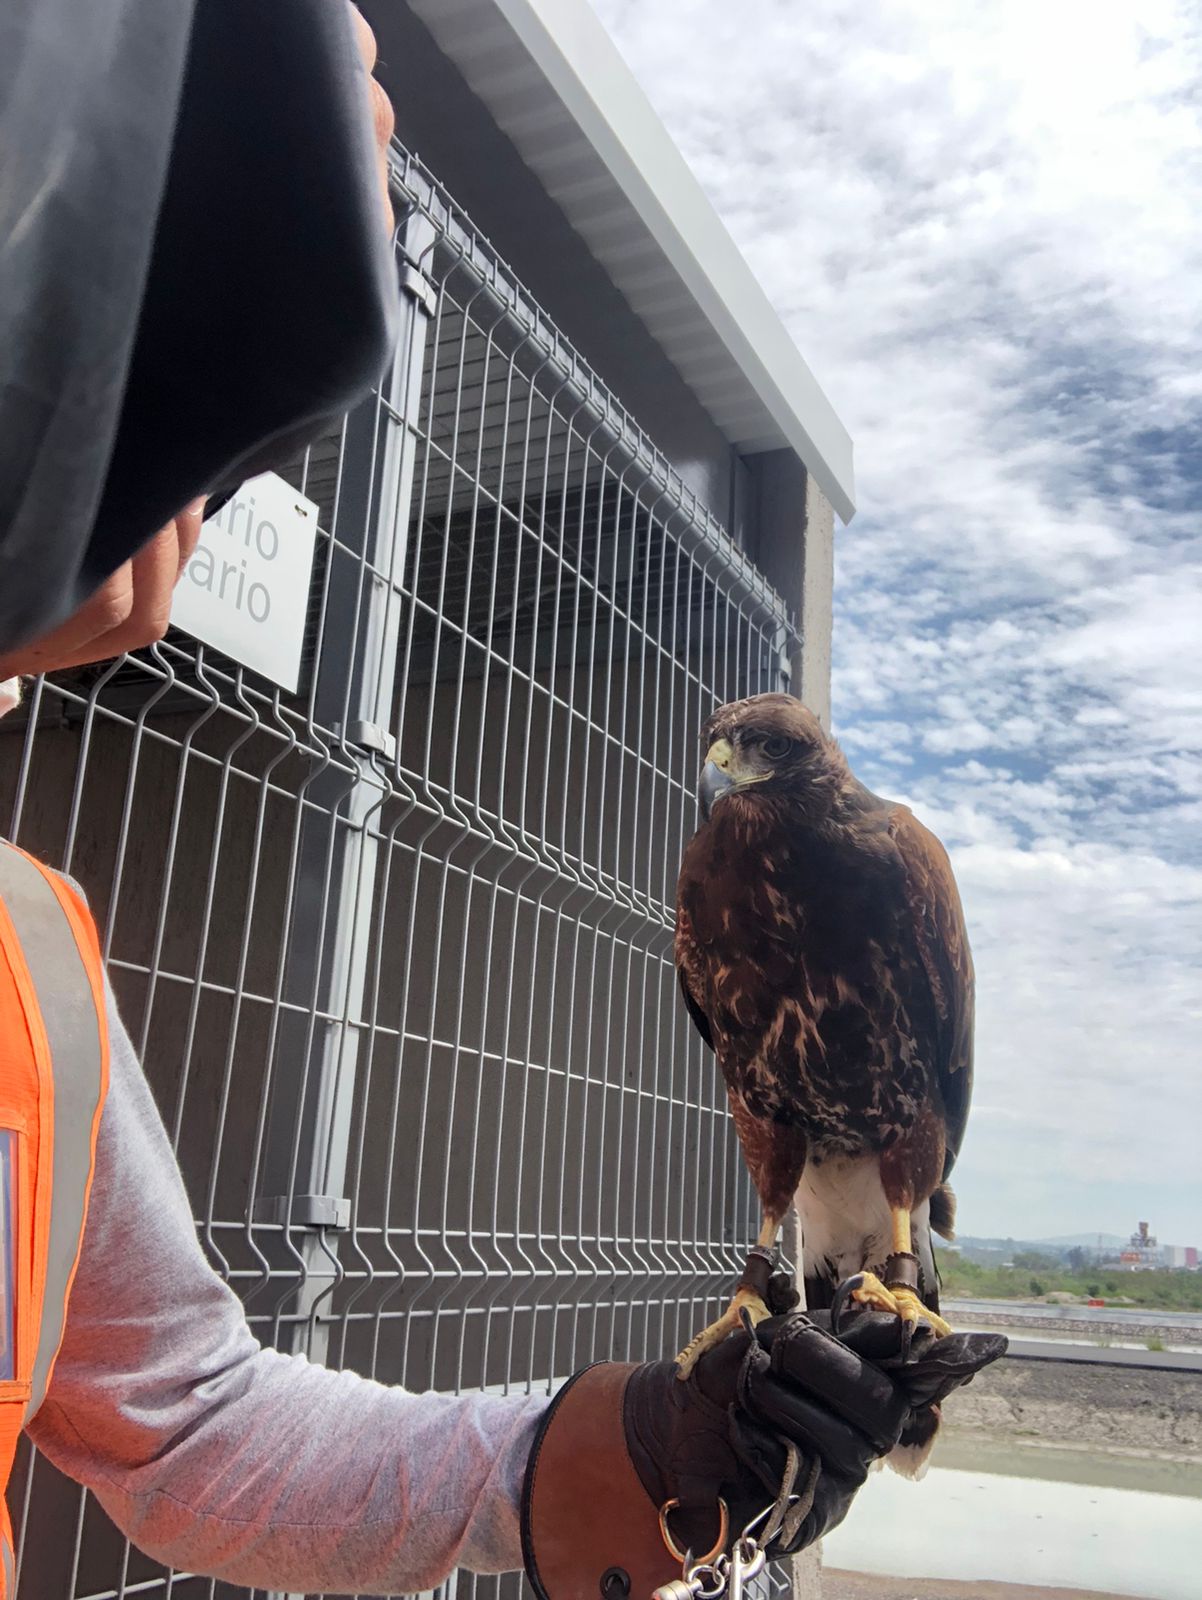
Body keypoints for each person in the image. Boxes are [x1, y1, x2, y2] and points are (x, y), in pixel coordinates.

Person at [0, 6, 1007, 1597]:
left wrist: (663, 1450)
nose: (196, 502)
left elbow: (189, 1426)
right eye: (177, 412)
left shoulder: (30, 965)